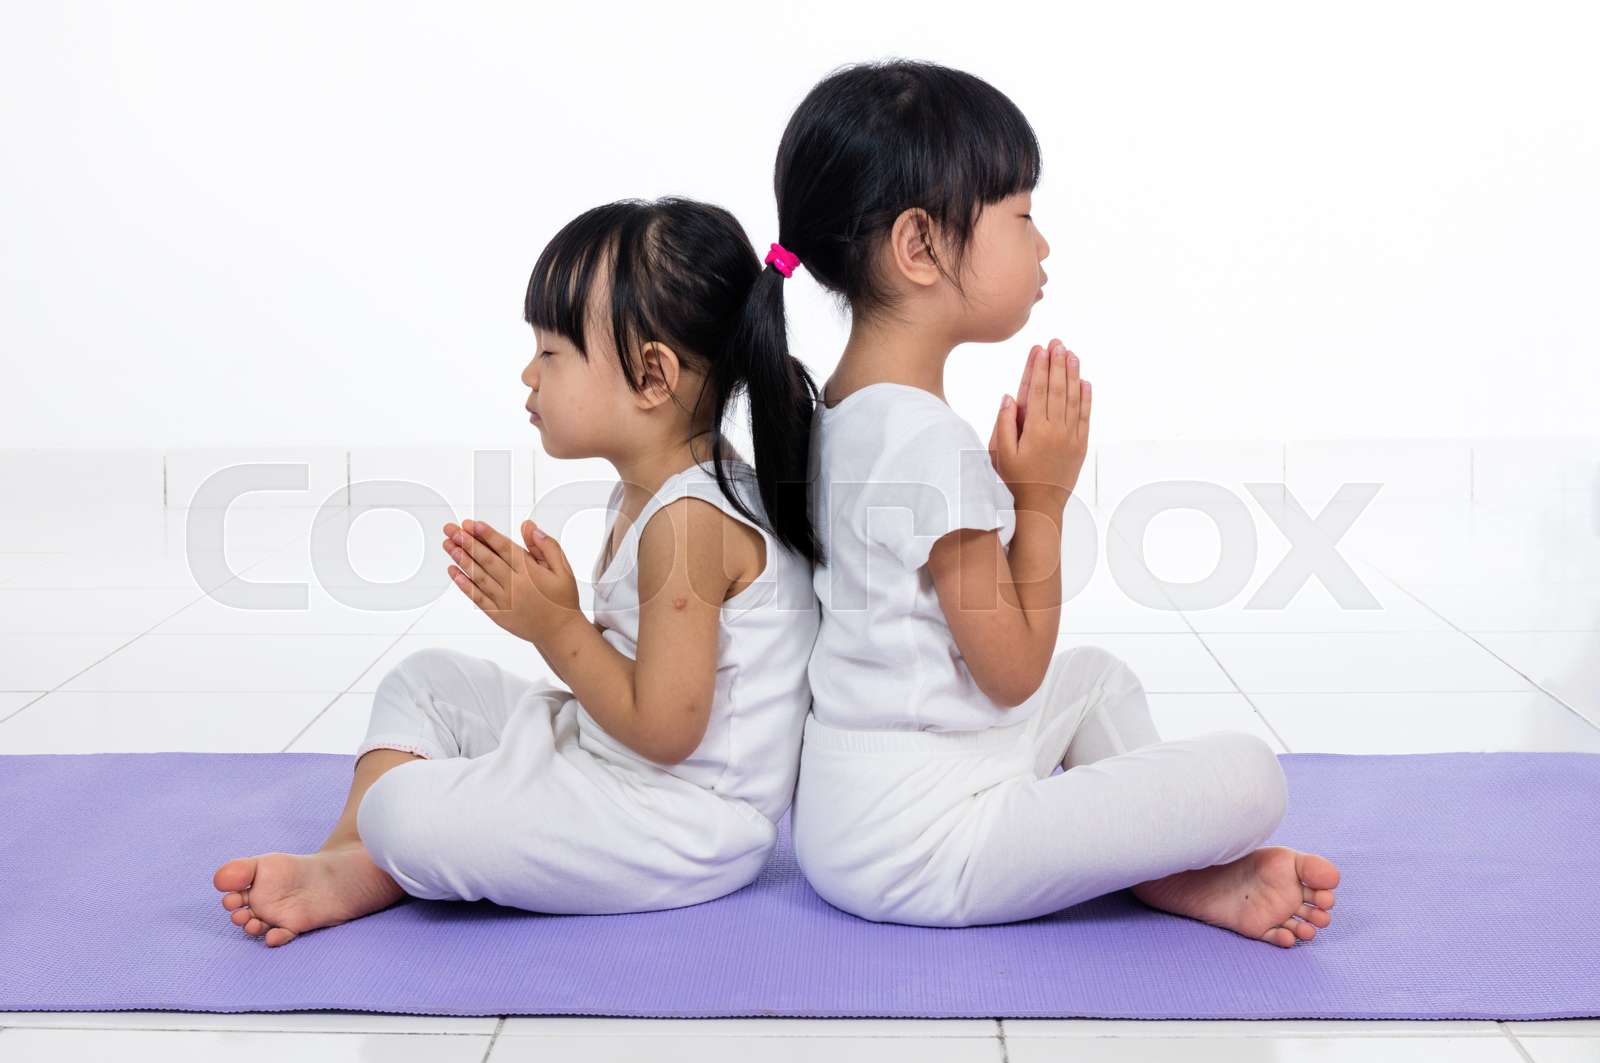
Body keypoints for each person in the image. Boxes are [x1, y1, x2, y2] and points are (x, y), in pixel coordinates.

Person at [782, 59, 1340, 944]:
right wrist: (1040, 500)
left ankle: (1167, 867)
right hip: (928, 845)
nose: (1042, 247)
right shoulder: (925, 443)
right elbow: (1011, 674)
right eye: (1022, 217)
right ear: (919, 246)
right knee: (1252, 777)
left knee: (1097, 681)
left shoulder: (840, 412)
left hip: (856, 815)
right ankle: (1171, 866)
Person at [213, 197, 822, 946]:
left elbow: (666, 732)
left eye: (552, 351)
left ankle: (381, 849)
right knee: (424, 681)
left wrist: (555, 626)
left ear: (651, 374)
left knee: (401, 811)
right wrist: (559, 619)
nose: (529, 373)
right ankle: (353, 858)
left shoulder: (691, 523)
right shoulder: (664, 489)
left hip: (679, 824)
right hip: (613, 757)